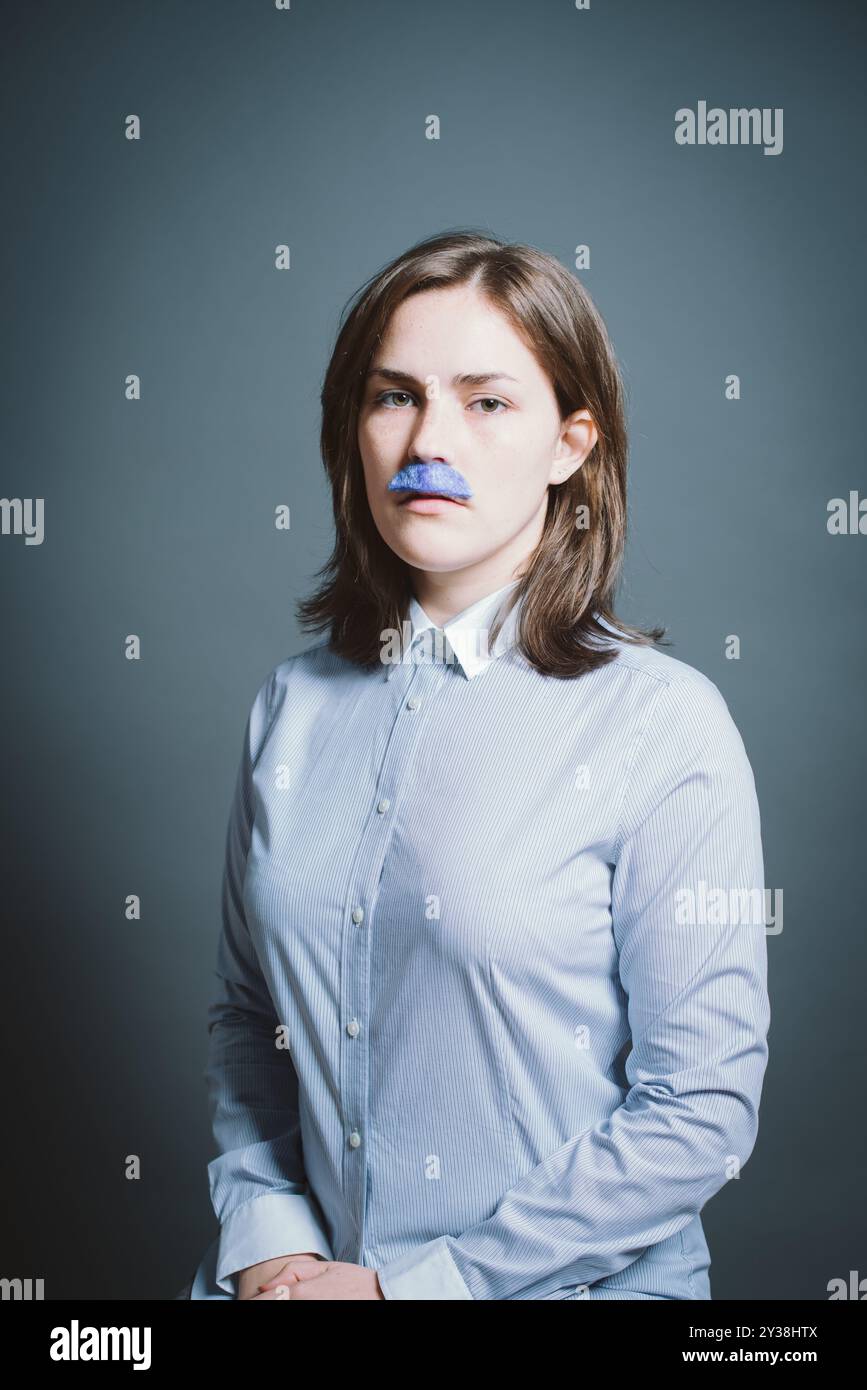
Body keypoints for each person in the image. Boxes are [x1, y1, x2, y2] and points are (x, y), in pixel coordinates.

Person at [189, 230, 770, 1301]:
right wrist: (271, 1242)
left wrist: (411, 1291)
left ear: (571, 442)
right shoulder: (290, 707)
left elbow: (700, 1113)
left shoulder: (663, 725)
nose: (428, 439)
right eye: (393, 395)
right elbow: (245, 1015)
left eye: (486, 400)